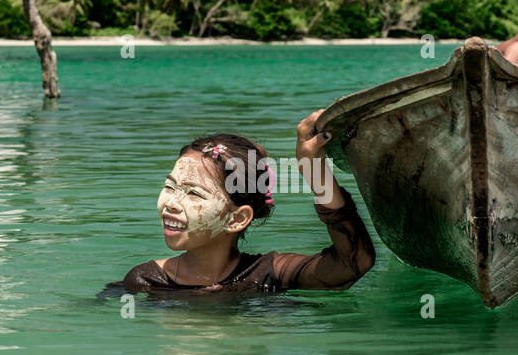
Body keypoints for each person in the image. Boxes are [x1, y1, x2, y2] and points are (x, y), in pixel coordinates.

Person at [122, 111, 375, 294]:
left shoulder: (268, 275)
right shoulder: (147, 280)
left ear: (237, 218)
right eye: (170, 186)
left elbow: (354, 263)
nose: (172, 203)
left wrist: (312, 167)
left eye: (194, 194)